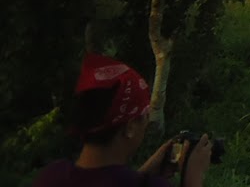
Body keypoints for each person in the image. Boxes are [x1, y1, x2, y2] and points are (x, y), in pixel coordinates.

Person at [30, 54, 212, 187]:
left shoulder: (52, 176)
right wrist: (193, 178)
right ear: (130, 127)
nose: (147, 122)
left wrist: (143, 174)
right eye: (144, 115)